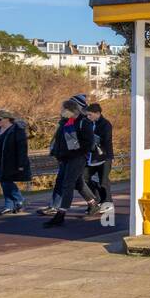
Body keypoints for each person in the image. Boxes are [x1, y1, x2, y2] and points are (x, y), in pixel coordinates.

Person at [44, 98, 97, 228]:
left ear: (72, 110)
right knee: (78, 183)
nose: (61, 112)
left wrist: (77, 153)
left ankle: (61, 214)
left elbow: (88, 143)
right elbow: (60, 140)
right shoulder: (66, 122)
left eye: (64, 109)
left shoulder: (83, 122)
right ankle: (93, 203)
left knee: (67, 184)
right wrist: (58, 154)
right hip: (65, 158)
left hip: (77, 157)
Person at [0, 110, 30, 215]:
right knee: (3, 183)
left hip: (11, 162)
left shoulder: (16, 130)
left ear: (7, 119)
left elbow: (22, 148)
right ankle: (9, 206)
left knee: (7, 182)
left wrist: (21, 164)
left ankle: (19, 199)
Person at [85, 103, 113, 205]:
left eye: (90, 115)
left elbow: (105, 140)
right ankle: (96, 198)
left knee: (103, 181)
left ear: (97, 113)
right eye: (87, 115)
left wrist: (92, 138)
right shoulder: (88, 123)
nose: (88, 117)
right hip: (91, 158)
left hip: (104, 157)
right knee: (84, 178)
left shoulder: (106, 124)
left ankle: (107, 201)